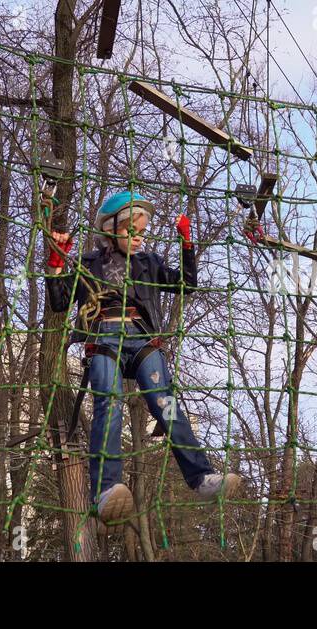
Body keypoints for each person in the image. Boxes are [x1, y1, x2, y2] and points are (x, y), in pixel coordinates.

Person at [44, 190, 241, 526]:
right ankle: (106, 489)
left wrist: (187, 245)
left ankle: (201, 477)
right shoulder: (88, 264)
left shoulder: (148, 264)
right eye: (130, 232)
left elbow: (185, 285)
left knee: (165, 402)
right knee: (109, 400)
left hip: (141, 337)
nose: (138, 238)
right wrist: (57, 260)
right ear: (109, 230)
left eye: (142, 233)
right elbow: (60, 302)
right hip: (104, 336)